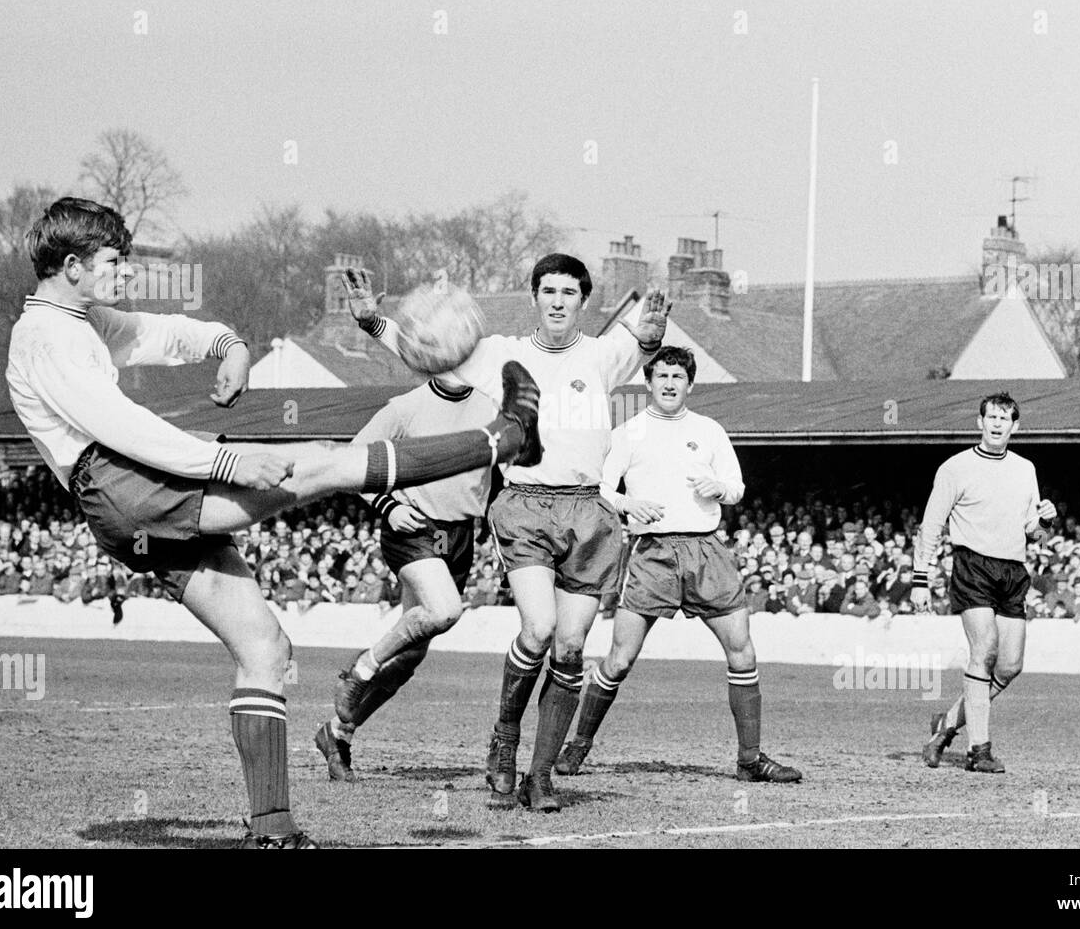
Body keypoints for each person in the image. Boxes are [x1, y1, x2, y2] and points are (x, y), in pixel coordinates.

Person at [5, 197, 543, 847]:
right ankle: (502, 438)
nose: (127, 273)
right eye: (115, 262)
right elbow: (120, 427)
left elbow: (159, 333)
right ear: (71, 266)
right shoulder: (44, 336)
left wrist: (225, 343)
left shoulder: (80, 319)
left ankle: (272, 830)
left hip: (130, 492)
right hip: (124, 482)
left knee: (265, 647)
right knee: (316, 466)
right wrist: (228, 458)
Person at [344, 253, 670, 811]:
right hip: (526, 507)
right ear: (535, 298)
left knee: (570, 648)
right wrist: (373, 322)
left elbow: (641, 344)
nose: (559, 301)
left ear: (584, 301)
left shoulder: (601, 354)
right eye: (549, 291)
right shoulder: (504, 354)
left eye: (570, 292)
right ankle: (504, 740)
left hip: (589, 514)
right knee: (539, 628)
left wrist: (652, 339)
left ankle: (540, 777)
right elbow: (432, 353)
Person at [553, 347, 799, 784]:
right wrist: (629, 504)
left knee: (742, 649)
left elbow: (737, 488)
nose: (669, 383)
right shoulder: (629, 432)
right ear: (648, 382)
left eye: (678, 376)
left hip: (706, 552)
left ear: (690, 384)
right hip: (653, 555)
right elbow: (601, 488)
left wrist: (718, 487)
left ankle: (750, 759)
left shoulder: (709, 430)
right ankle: (578, 744)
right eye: (662, 375)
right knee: (620, 659)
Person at [316, 374, 497, 782]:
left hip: (460, 536)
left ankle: (337, 733)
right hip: (411, 526)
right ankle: (359, 670)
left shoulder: (491, 405)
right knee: (445, 610)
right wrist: (386, 504)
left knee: (409, 658)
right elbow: (351, 461)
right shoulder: (404, 406)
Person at [912, 392, 1055, 773]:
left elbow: (1033, 534)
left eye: (1004, 418)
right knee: (985, 649)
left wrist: (1045, 521)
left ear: (1015, 426)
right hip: (972, 565)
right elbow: (931, 525)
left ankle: (944, 727)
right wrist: (920, 579)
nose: (996, 423)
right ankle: (980, 750)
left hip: (1013, 570)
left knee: (1009, 666)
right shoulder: (955, 468)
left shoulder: (1025, 469)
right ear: (979, 422)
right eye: (990, 416)